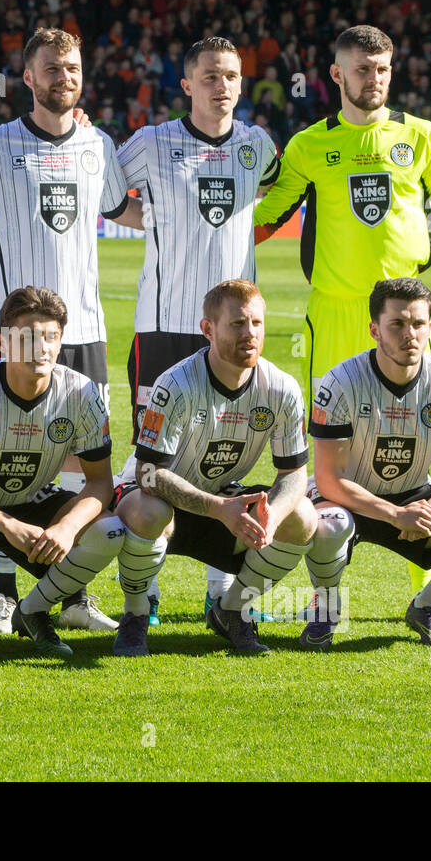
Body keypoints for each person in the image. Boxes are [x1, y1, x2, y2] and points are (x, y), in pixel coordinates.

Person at [254, 23, 431, 611]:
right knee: (320, 457)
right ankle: (317, 596)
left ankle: (426, 589)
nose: (374, 80)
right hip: (335, 314)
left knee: (418, 444)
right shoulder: (310, 144)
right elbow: (262, 217)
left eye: (383, 70)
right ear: (336, 75)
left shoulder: (424, 138)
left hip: (406, 316)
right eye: (362, 70)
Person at [0, 27, 143, 635]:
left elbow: (114, 208)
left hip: (84, 328)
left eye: (72, 67)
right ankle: (2, 596)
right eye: (50, 68)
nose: (63, 77)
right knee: (6, 458)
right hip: (18, 332)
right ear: (27, 77)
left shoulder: (99, 145)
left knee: (80, 467)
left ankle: (70, 594)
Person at [116, 35, 282, 624]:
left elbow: (280, 197)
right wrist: (158, 222)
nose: (223, 85)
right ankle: (145, 585)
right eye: (210, 76)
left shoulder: (257, 146)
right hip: (163, 324)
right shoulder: (151, 142)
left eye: (232, 76)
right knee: (152, 460)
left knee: (228, 451)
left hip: (235, 328)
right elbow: (108, 195)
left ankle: (220, 589)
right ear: (187, 85)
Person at [0, 287, 127, 662]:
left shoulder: (81, 392)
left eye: (51, 337)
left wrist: (64, 529)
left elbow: (99, 483)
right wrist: (5, 524)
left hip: (34, 499)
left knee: (109, 530)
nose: (41, 348)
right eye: (28, 337)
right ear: (2, 341)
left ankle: (32, 610)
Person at [112, 280, 316, 655]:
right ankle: (135, 615)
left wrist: (273, 515)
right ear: (208, 329)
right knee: (147, 510)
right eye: (237, 324)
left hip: (223, 497)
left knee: (301, 516)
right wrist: (217, 509)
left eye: (257, 323)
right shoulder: (174, 384)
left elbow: (293, 474)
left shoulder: (282, 389)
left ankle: (232, 611)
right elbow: (147, 473)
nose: (250, 333)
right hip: (159, 500)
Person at [306, 278, 431, 648]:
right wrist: (394, 515)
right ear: (374, 329)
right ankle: (326, 607)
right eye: (397, 324)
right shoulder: (340, 381)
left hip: (414, 496)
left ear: (429, 327)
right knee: (329, 524)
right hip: (346, 495)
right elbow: (329, 478)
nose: (409, 335)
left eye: (418, 324)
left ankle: (426, 607)